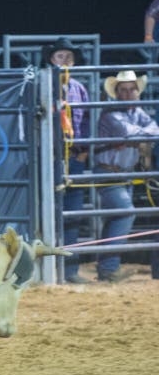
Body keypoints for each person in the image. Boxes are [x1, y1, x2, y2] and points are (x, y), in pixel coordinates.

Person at [95, 70, 159, 282]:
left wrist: (137, 136)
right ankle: (109, 267)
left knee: (118, 216)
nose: (129, 93)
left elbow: (154, 130)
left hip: (125, 173)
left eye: (133, 89)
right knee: (125, 213)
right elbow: (131, 133)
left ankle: (106, 268)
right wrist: (138, 136)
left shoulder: (137, 112)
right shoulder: (111, 113)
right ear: (117, 93)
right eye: (124, 90)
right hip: (108, 172)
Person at [43, 37, 91, 284]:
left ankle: (70, 270)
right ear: (52, 59)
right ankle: (48, 270)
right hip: (49, 158)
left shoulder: (78, 88)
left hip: (73, 156)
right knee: (47, 212)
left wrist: (83, 152)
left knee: (72, 214)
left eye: (68, 57)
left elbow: (85, 122)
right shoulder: (42, 86)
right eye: (61, 56)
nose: (65, 61)